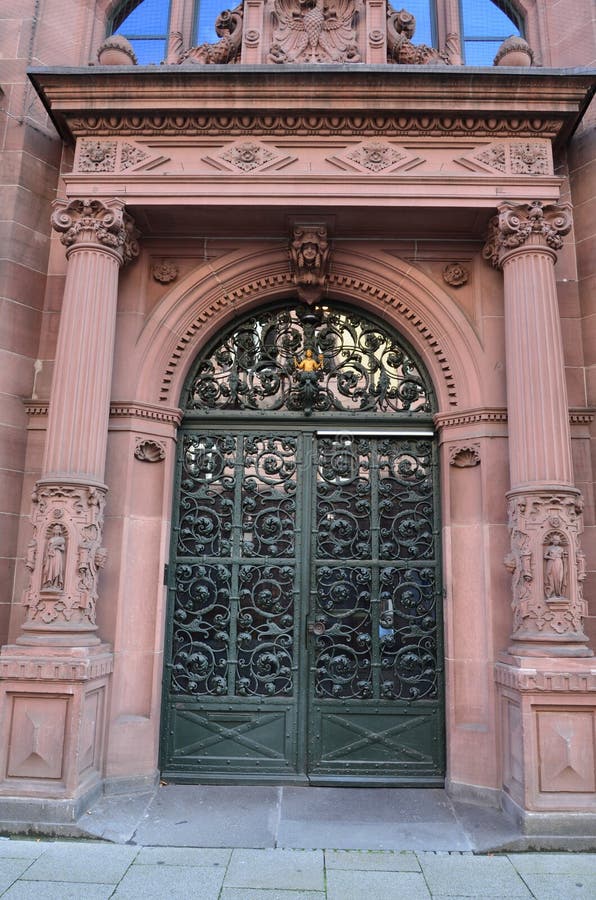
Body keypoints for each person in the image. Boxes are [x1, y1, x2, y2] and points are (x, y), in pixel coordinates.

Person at [42, 525, 66, 590]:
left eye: (58, 529)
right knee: (50, 569)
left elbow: (63, 549)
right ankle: (49, 583)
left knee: (57, 569)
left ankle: (56, 584)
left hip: (58, 555)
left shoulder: (61, 539)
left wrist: (56, 547)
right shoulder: (51, 539)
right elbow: (48, 548)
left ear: (60, 531)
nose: (56, 530)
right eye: (55, 529)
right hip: (51, 556)